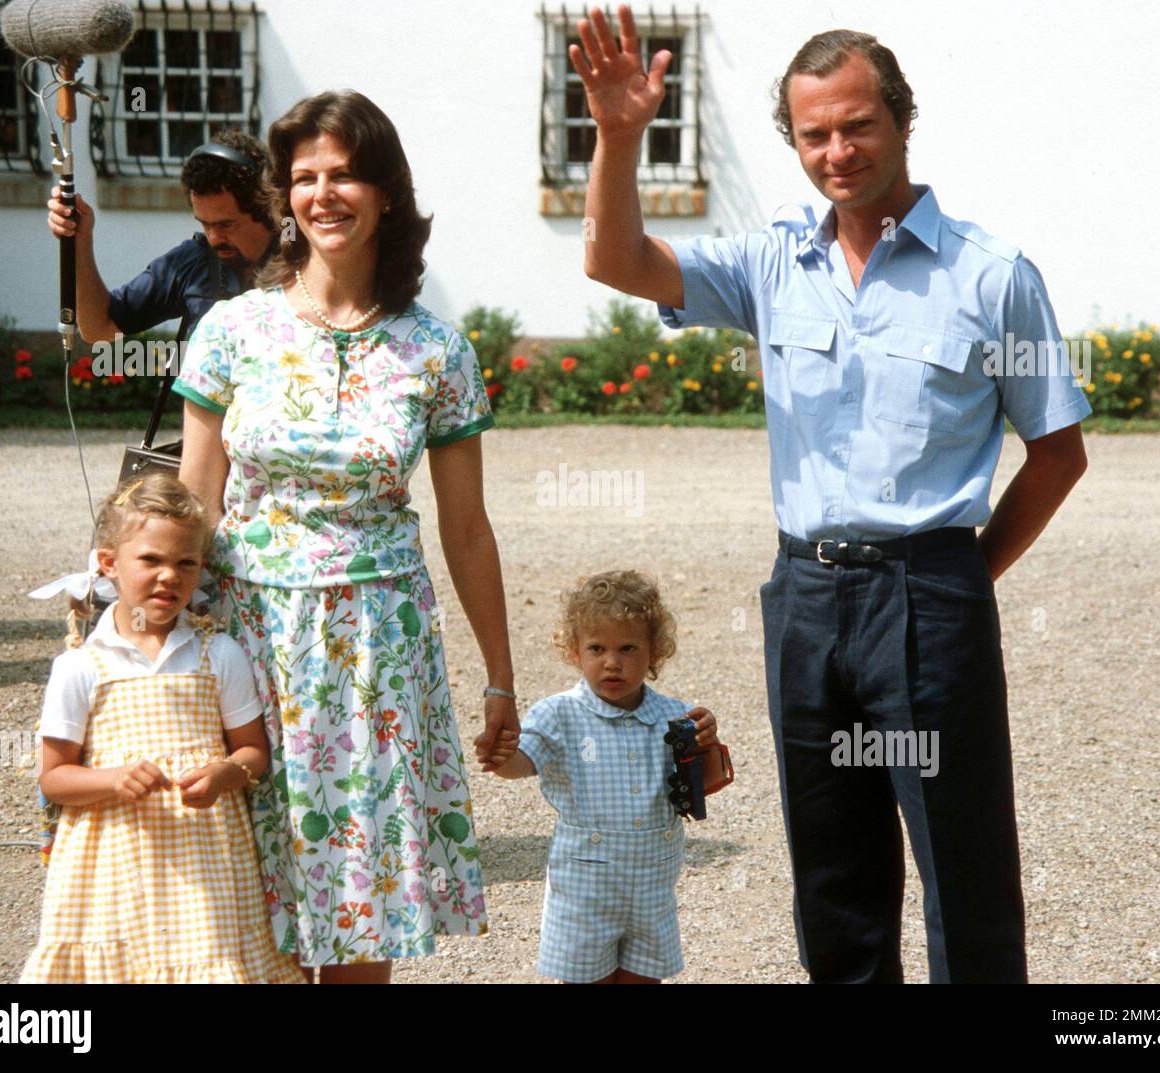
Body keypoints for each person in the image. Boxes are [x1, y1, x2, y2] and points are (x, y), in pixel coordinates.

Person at [572, 6, 1091, 983]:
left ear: (900, 121)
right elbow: (613, 259)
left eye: (857, 125)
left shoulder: (990, 277)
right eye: (814, 133)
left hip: (931, 591)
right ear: (794, 141)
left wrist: (959, 576)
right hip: (806, 600)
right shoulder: (774, 263)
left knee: (964, 871)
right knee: (834, 880)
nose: (837, 150)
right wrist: (618, 135)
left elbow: (1057, 451)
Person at [174, 90, 519, 984]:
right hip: (249, 639)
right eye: (304, 178)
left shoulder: (435, 349)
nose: (323, 194)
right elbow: (194, 503)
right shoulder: (233, 329)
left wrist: (499, 680)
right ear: (284, 196)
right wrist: (152, 638)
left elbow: (468, 529)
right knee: (249, 897)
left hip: (378, 649)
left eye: (345, 175)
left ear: (387, 193)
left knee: (360, 903)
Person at [21, 472, 305, 984]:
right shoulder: (81, 666)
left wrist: (224, 774)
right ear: (109, 563)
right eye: (150, 560)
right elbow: (54, 777)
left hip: (207, 862)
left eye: (185, 563)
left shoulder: (218, 653)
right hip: (112, 863)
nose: (169, 576)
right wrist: (110, 780)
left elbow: (253, 753)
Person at [492, 570, 719, 984]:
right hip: (584, 891)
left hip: (652, 887)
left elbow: (701, 788)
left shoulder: (675, 716)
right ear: (575, 651)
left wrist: (708, 741)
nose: (612, 662)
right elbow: (520, 764)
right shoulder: (559, 714)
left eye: (628, 648)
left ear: (654, 653)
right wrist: (500, 754)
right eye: (597, 648)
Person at [45, 128, 276, 344]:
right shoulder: (192, 260)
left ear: (265, 209)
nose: (214, 238)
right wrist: (80, 242)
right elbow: (100, 330)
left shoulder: (303, 262)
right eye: (205, 224)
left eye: (226, 224)